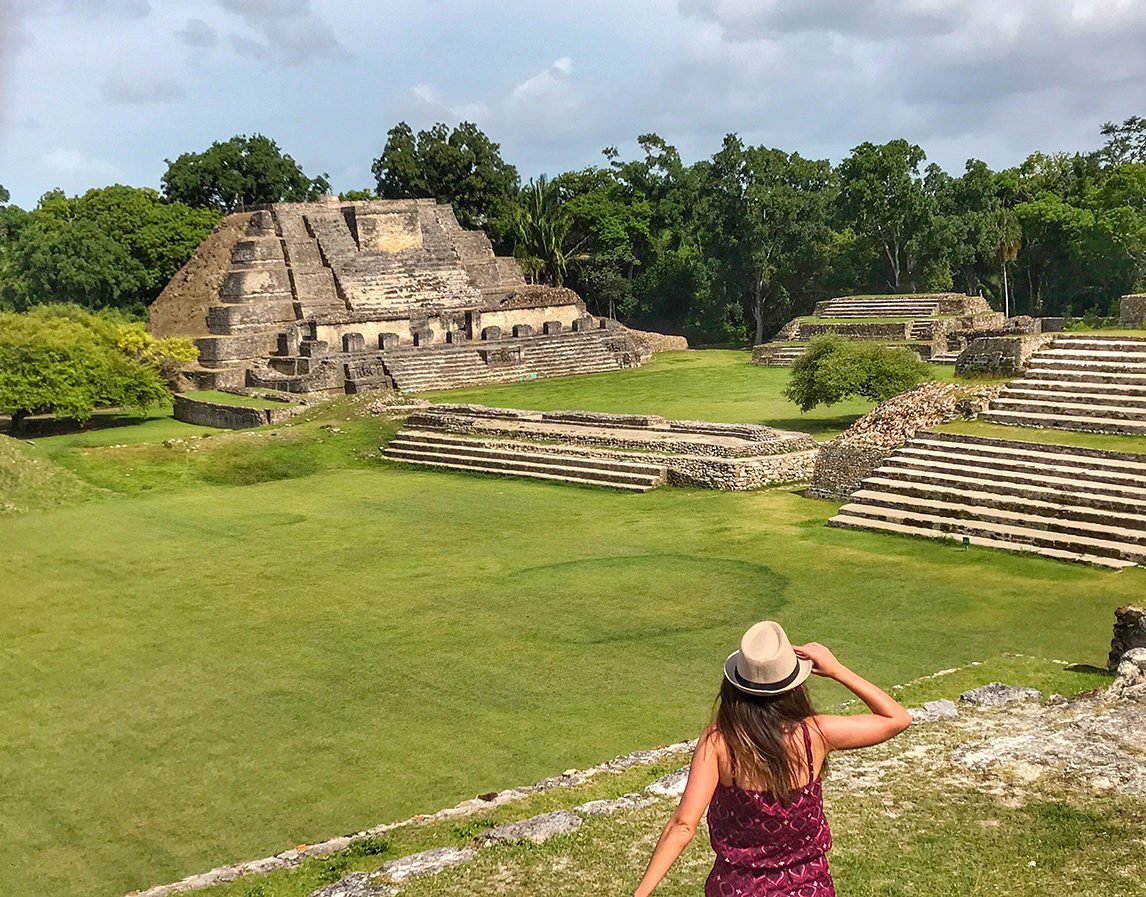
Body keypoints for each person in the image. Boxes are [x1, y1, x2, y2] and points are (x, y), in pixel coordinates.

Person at [633, 621, 912, 897]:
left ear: (734, 687)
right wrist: (837, 670)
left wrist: (640, 893)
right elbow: (897, 718)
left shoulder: (720, 742)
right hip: (809, 886)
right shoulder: (816, 734)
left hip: (736, 889)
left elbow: (683, 825)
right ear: (795, 686)